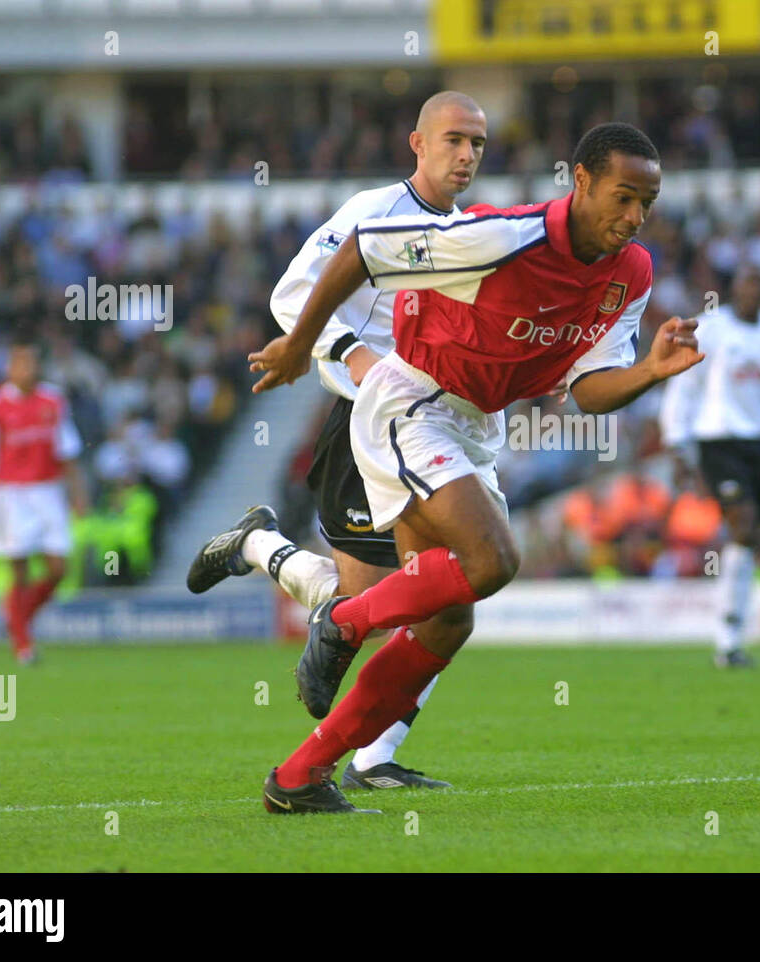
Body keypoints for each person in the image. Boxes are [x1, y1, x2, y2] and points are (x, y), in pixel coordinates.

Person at [247, 122, 703, 814]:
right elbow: (366, 253)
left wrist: (648, 372)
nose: (635, 217)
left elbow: (589, 388)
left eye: (648, 202)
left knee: (448, 621)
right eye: (624, 197)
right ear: (580, 182)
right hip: (410, 402)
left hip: (473, 427)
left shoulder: (630, 272)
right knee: (493, 559)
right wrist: (298, 347)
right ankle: (342, 623)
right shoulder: (502, 237)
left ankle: (300, 775)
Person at [186, 91, 489, 793]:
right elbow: (293, 295)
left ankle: (372, 754)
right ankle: (260, 547)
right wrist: (355, 358)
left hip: (433, 431)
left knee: (434, 599)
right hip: (369, 428)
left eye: (477, 143)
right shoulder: (372, 213)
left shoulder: (475, 232)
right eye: (453, 140)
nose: (466, 155)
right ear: (417, 143)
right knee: (394, 601)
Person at [659, 267, 760, 666]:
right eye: (746, 283)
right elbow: (684, 385)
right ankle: (727, 637)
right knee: (742, 523)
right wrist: (679, 446)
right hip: (717, 438)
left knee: (757, 533)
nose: (752, 291)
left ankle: (734, 635)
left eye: (759, 284)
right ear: (734, 289)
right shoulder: (711, 329)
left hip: (757, 442)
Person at [0, 342, 87, 663]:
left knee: (59, 569)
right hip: (10, 494)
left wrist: (78, 495)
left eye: (31, 363)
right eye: (21, 364)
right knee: (18, 569)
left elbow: (68, 451)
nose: (28, 369)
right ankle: (22, 644)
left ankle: (17, 618)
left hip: (48, 491)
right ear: (9, 369)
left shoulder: (53, 400)